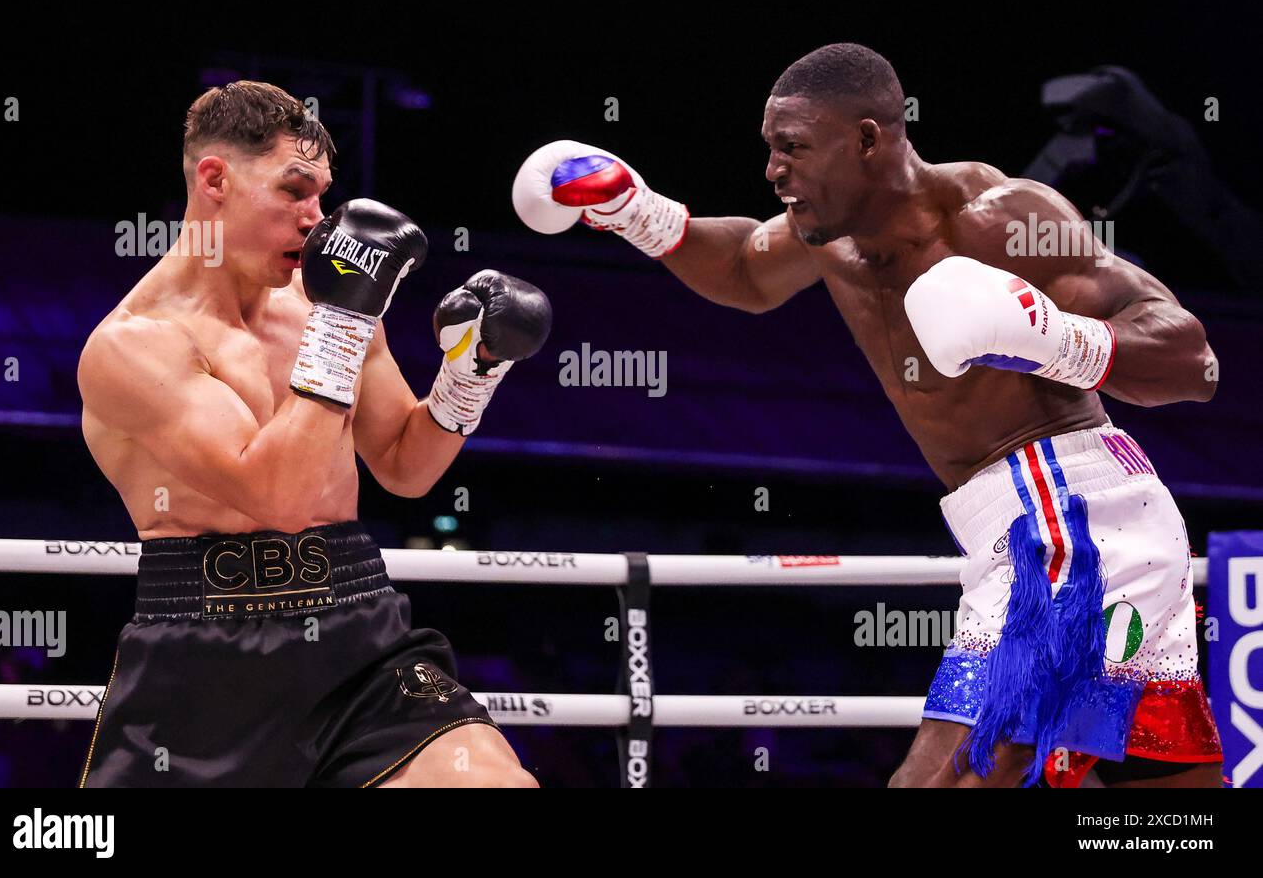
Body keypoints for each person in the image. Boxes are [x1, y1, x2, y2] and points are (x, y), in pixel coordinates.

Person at [513, 44, 1223, 788]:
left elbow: (1194, 363)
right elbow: (747, 271)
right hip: (1031, 522)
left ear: (867, 139)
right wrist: (637, 212)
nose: (772, 170)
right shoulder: (828, 238)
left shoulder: (1001, 219)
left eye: (792, 148)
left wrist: (1052, 337)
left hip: (1068, 517)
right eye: (770, 149)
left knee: (951, 776)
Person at [77, 81, 548, 787]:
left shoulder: (325, 306)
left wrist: (474, 370)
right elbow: (279, 496)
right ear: (215, 180)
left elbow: (404, 466)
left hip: (359, 632)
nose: (316, 219)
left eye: (323, 196)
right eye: (294, 191)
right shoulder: (134, 346)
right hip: (206, 657)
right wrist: (345, 322)